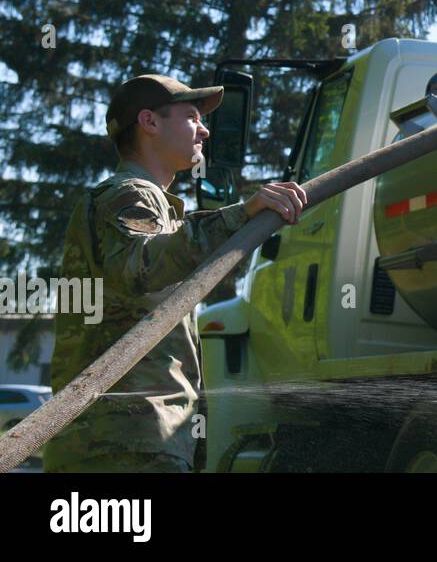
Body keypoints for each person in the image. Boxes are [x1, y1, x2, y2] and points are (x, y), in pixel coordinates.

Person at [44, 73, 306, 472]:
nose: (204, 129)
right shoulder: (130, 194)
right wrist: (241, 215)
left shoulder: (146, 201)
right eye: (191, 116)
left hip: (121, 438)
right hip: (128, 440)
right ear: (149, 122)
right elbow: (141, 266)